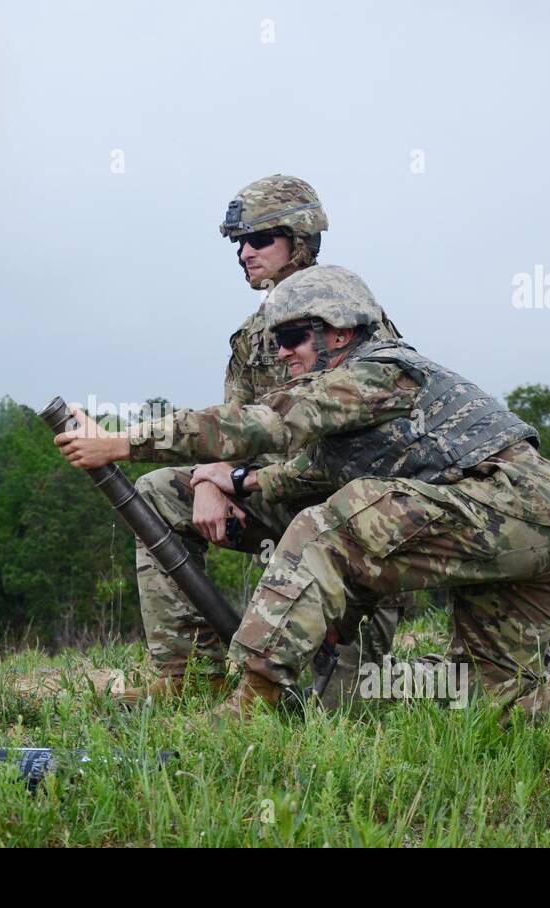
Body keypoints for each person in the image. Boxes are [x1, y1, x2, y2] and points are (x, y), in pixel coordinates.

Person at [56, 264, 550, 767]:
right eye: (277, 339)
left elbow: (272, 421)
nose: (284, 351)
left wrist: (123, 440)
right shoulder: (366, 404)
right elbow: (302, 469)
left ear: (342, 331)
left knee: (326, 527)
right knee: (497, 710)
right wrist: (224, 481)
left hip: (506, 505)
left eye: (295, 335)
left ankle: (245, 712)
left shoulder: (380, 370)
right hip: (548, 530)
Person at [122, 174, 399, 704]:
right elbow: (234, 428)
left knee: (339, 704)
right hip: (274, 497)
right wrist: (208, 481)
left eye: (258, 240)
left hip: (352, 512)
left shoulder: (351, 316)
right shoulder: (253, 335)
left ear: (301, 240)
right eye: (238, 244)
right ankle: (188, 675)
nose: (244, 253)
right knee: (158, 493)